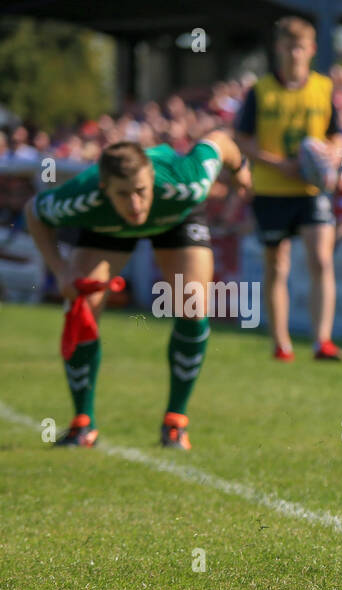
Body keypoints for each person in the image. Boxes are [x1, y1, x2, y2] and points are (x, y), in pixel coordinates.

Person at [23, 133, 251, 449]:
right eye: (124, 194)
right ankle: (82, 424)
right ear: (104, 189)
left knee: (193, 304)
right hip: (106, 227)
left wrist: (240, 169)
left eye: (141, 192)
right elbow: (33, 213)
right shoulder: (82, 197)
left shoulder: (187, 181)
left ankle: (175, 422)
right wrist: (61, 270)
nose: (135, 204)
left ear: (152, 179)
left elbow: (219, 142)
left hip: (175, 217)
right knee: (81, 307)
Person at [235, 16, 342, 361]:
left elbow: (338, 135)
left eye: (300, 47)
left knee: (321, 259)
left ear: (312, 49)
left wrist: (334, 152)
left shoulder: (324, 88)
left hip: (312, 190)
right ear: (278, 48)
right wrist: (276, 163)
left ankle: (321, 341)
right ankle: (281, 342)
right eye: (288, 46)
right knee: (277, 264)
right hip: (271, 189)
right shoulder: (261, 91)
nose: (294, 53)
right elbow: (241, 139)